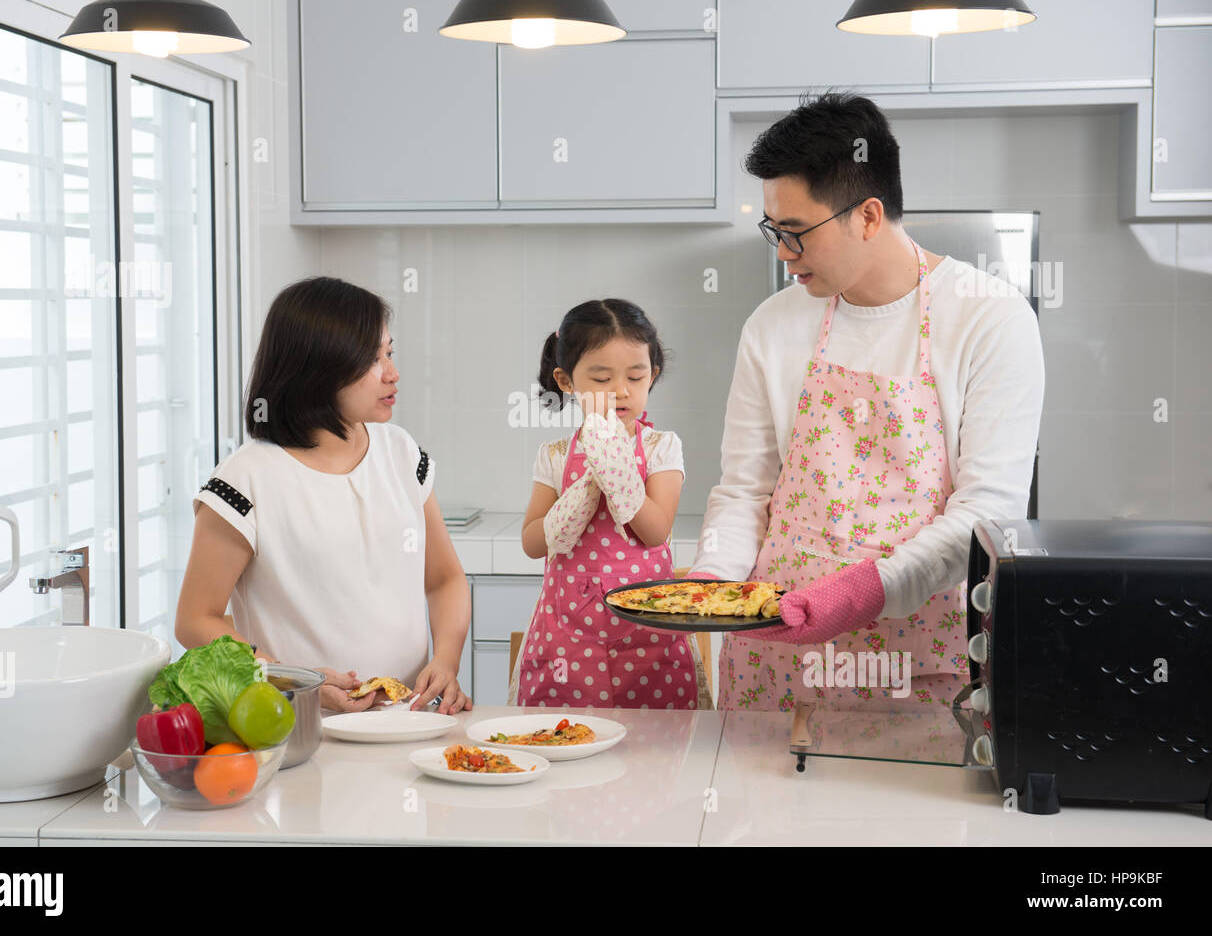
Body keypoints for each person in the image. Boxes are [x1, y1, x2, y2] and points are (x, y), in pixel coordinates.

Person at [689, 91, 1044, 711]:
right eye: (774, 230)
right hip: (773, 664)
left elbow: (988, 514)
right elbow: (746, 490)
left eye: (796, 233)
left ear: (869, 215)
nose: (782, 253)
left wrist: (851, 596)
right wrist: (710, 583)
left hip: (912, 670)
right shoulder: (772, 325)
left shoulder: (989, 318)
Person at [174, 276, 472, 715]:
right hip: (300, 725)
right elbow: (195, 620)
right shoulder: (245, 480)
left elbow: (444, 579)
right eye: (372, 360)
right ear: (318, 368)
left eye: (389, 352)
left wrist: (446, 660)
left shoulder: (401, 453)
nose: (392, 373)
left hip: (407, 720)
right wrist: (291, 680)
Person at [510, 298, 711, 709]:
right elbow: (533, 544)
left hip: (648, 633)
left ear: (652, 375)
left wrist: (618, 474)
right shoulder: (555, 454)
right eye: (601, 379)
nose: (621, 391)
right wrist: (579, 496)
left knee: (654, 752)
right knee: (569, 744)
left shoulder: (661, 447)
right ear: (566, 382)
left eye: (636, 377)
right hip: (568, 635)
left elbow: (654, 532)